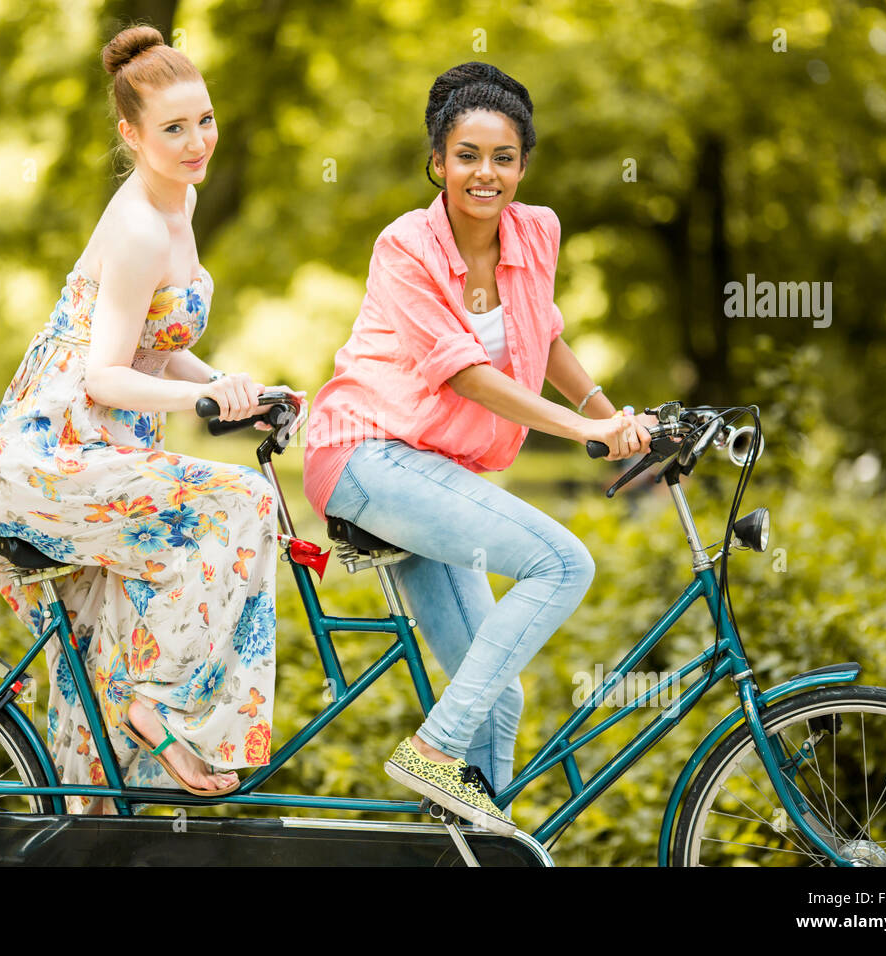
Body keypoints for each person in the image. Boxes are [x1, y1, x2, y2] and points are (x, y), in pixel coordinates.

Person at [302, 62, 659, 835]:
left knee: (501, 698)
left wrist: (608, 414)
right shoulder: (406, 245)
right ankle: (432, 750)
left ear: (523, 166)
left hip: (433, 469)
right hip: (364, 455)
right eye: (466, 155)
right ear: (437, 163)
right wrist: (585, 433)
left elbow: (545, 335)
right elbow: (462, 373)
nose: (484, 173)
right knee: (564, 562)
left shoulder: (538, 232)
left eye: (503, 157)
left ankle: (469, 846)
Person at [0, 25, 299, 812]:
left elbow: (152, 348)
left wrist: (232, 388)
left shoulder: (181, 201)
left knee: (91, 655)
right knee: (242, 504)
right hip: (52, 458)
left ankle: (86, 832)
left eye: (206, 120)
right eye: (174, 129)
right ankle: (160, 702)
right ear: (131, 133)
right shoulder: (138, 230)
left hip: (104, 449)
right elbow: (103, 375)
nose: (197, 143)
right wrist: (199, 401)